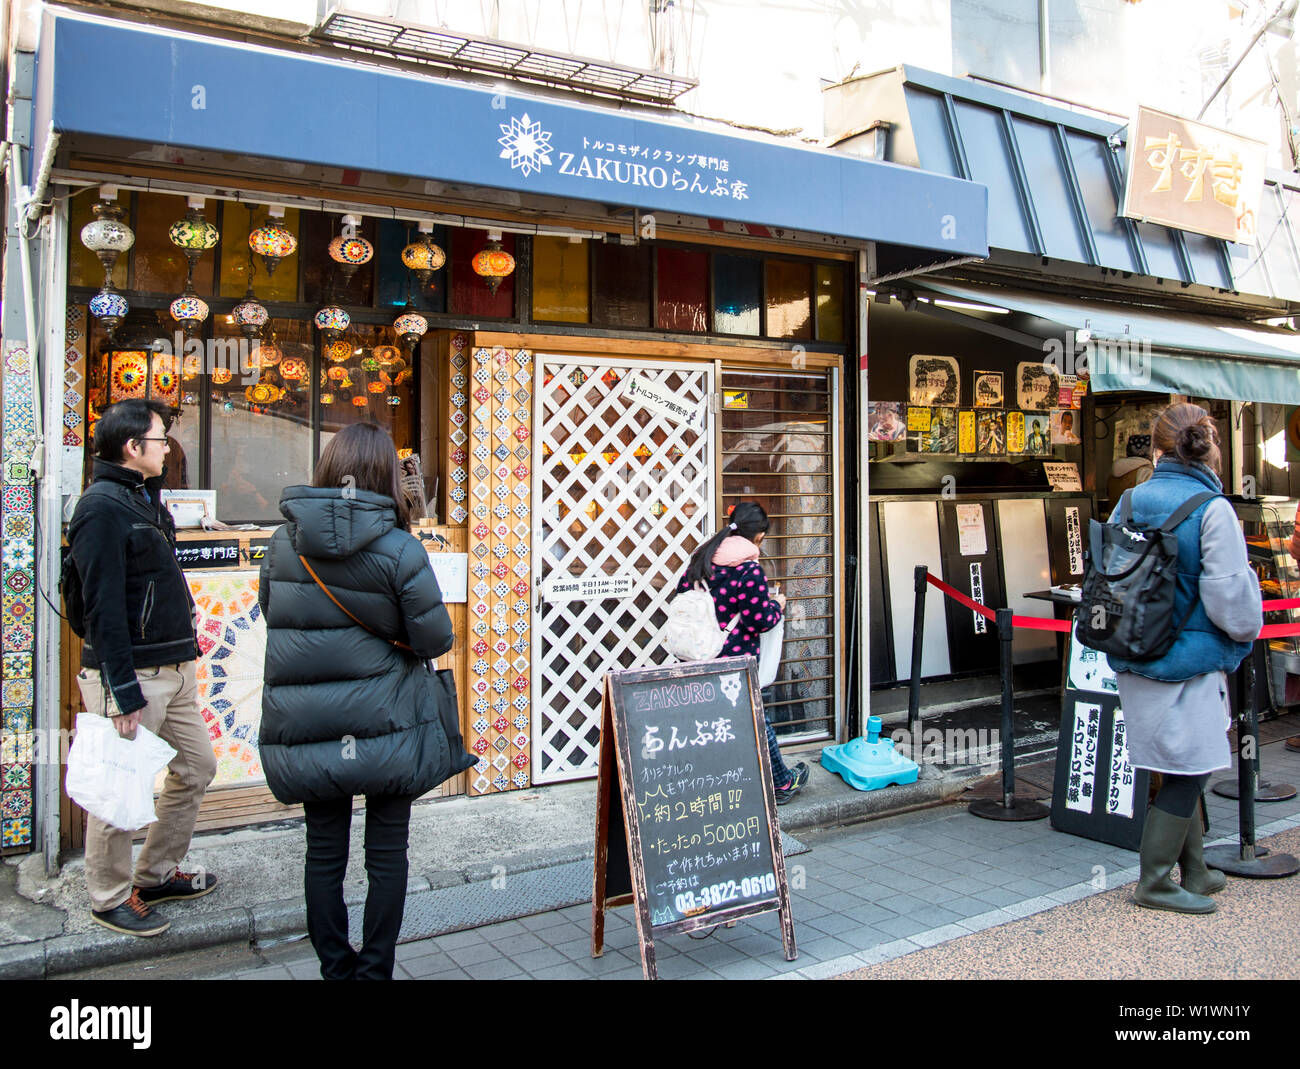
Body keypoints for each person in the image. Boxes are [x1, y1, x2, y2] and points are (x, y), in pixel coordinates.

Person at [258, 422, 458, 979]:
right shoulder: (401, 548)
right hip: (389, 721)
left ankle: (335, 971)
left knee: (323, 854)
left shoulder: (283, 542)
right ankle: (374, 972)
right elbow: (436, 640)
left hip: (308, 722)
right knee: (386, 855)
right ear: (387, 477)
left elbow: (272, 611)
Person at [67, 399, 217, 937]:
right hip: (135, 676)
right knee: (120, 788)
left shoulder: (142, 498)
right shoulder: (101, 507)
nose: (167, 448)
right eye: (159, 441)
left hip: (175, 668)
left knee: (196, 767)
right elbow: (101, 605)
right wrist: (121, 688)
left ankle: (152, 874)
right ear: (133, 448)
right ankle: (108, 894)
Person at [1107, 403, 1261, 914]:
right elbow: (1231, 602)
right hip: (1188, 661)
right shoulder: (1212, 509)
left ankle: (1194, 870)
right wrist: (1246, 633)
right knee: (1189, 770)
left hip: (1133, 653)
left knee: (1180, 767)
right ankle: (1153, 883)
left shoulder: (1127, 501)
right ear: (1209, 446)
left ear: (1155, 448)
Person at [676, 502, 810, 804]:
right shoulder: (748, 569)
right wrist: (777, 606)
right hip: (734, 661)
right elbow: (758, 619)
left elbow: (680, 597)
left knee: (706, 722)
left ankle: (708, 781)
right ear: (759, 536)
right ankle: (780, 782)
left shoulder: (702, 561)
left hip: (696, 656)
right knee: (754, 718)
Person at [1106, 435, 1154, 504]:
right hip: (1134, 514)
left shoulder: (1113, 470)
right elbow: (1148, 500)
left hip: (1114, 513)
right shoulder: (1146, 472)